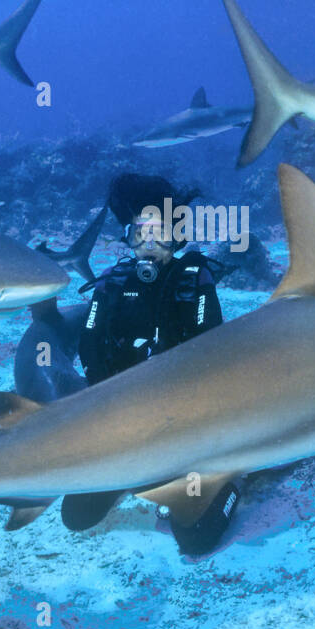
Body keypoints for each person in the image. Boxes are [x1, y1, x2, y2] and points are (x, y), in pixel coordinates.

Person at [78, 173, 239, 555]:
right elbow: (89, 346)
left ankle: (230, 484)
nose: (149, 245)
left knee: (195, 537)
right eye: (139, 235)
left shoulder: (192, 280)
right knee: (77, 516)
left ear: (177, 237)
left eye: (160, 235)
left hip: (189, 421)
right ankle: (128, 474)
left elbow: (210, 351)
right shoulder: (112, 284)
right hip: (126, 420)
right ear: (127, 238)